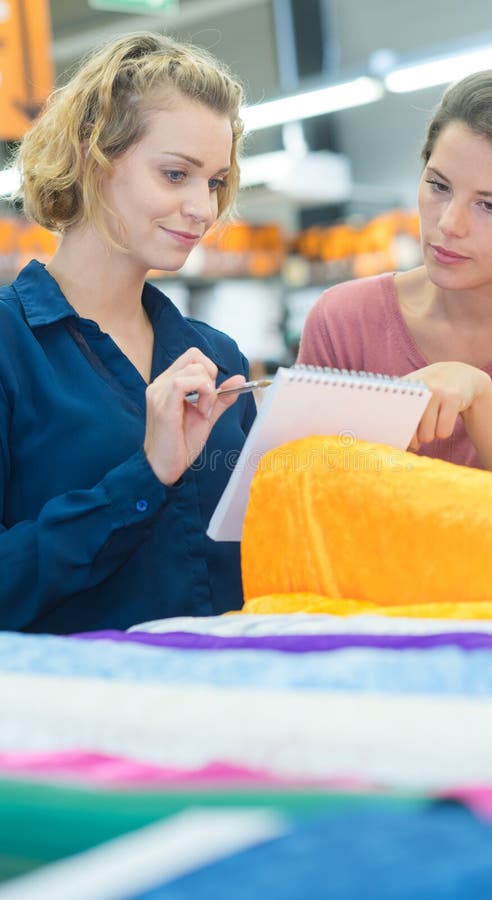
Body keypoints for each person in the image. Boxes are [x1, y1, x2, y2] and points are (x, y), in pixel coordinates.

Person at [0, 32, 256, 633]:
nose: (203, 208)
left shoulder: (215, 357)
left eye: (215, 182)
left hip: (221, 705)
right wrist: (145, 474)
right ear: (93, 155)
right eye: (175, 174)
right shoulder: (10, 347)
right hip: (66, 714)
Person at [298, 68, 492, 498]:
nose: (449, 223)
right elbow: (310, 491)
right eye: (438, 186)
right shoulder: (343, 320)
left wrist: (478, 396)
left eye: (490, 206)